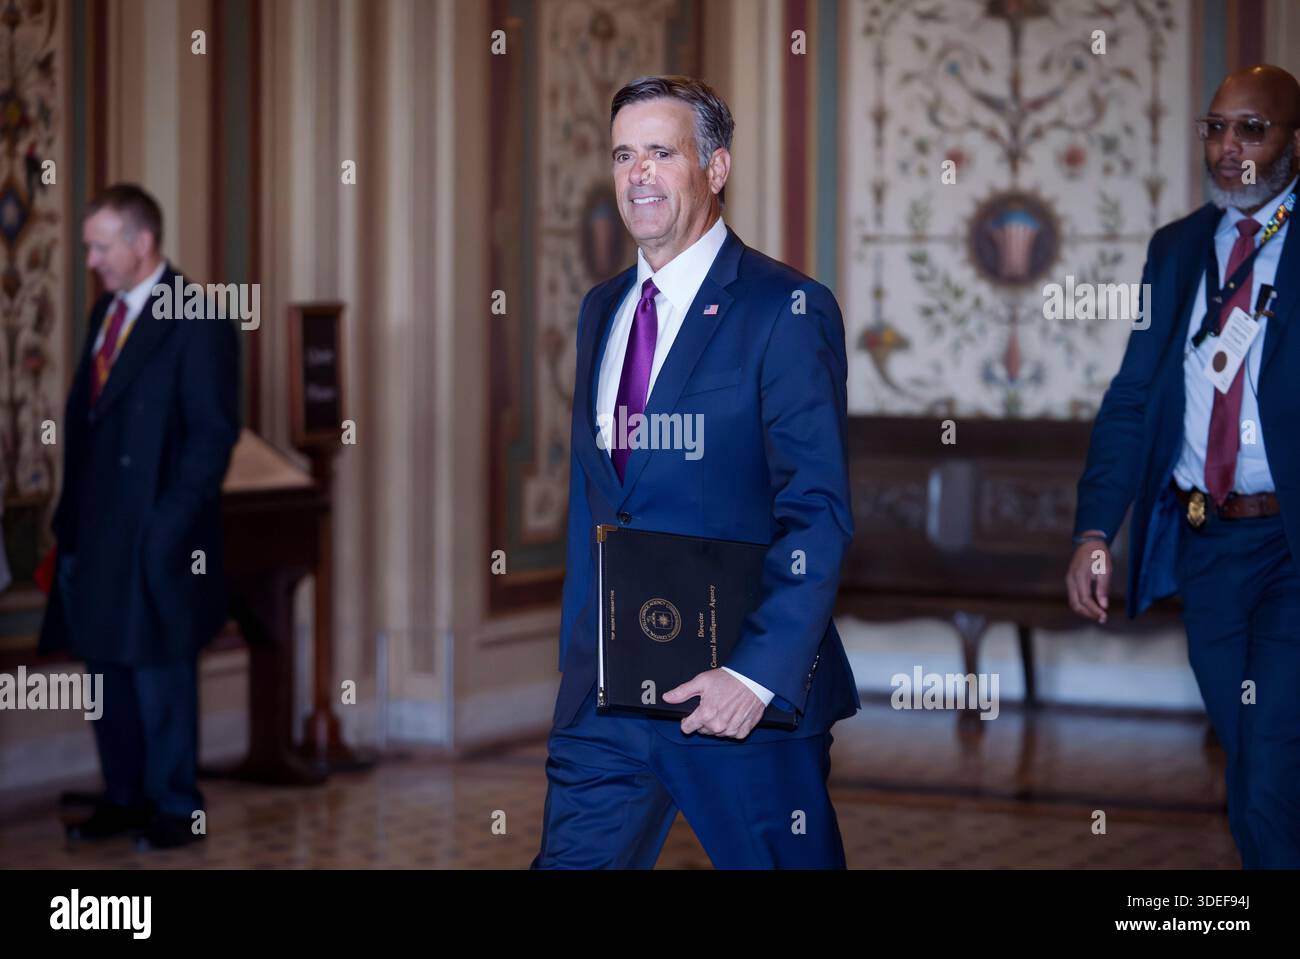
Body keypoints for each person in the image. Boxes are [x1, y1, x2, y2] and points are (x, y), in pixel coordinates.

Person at [531, 76, 860, 869]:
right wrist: (579, 664)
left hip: (738, 697)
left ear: (715, 168)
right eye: (622, 155)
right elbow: (607, 500)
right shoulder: (600, 311)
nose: (637, 174)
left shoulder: (785, 310)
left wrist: (755, 677)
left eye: (660, 152)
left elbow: (816, 511)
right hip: (605, 703)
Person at [1067, 65, 1300, 868]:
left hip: (1290, 547)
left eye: (1253, 129)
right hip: (1208, 543)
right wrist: (1096, 527)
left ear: (1294, 141)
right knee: (1249, 755)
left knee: (1269, 755)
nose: (1229, 147)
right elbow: (1133, 396)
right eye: (1216, 128)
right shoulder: (1175, 250)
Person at [39, 183, 240, 850]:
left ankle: (177, 806)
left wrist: (165, 528)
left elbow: (213, 434)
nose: (91, 258)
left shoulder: (197, 317)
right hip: (94, 533)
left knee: (161, 675)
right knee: (107, 674)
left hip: (158, 536)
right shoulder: (105, 314)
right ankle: (124, 797)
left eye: (101, 244)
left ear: (142, 242)